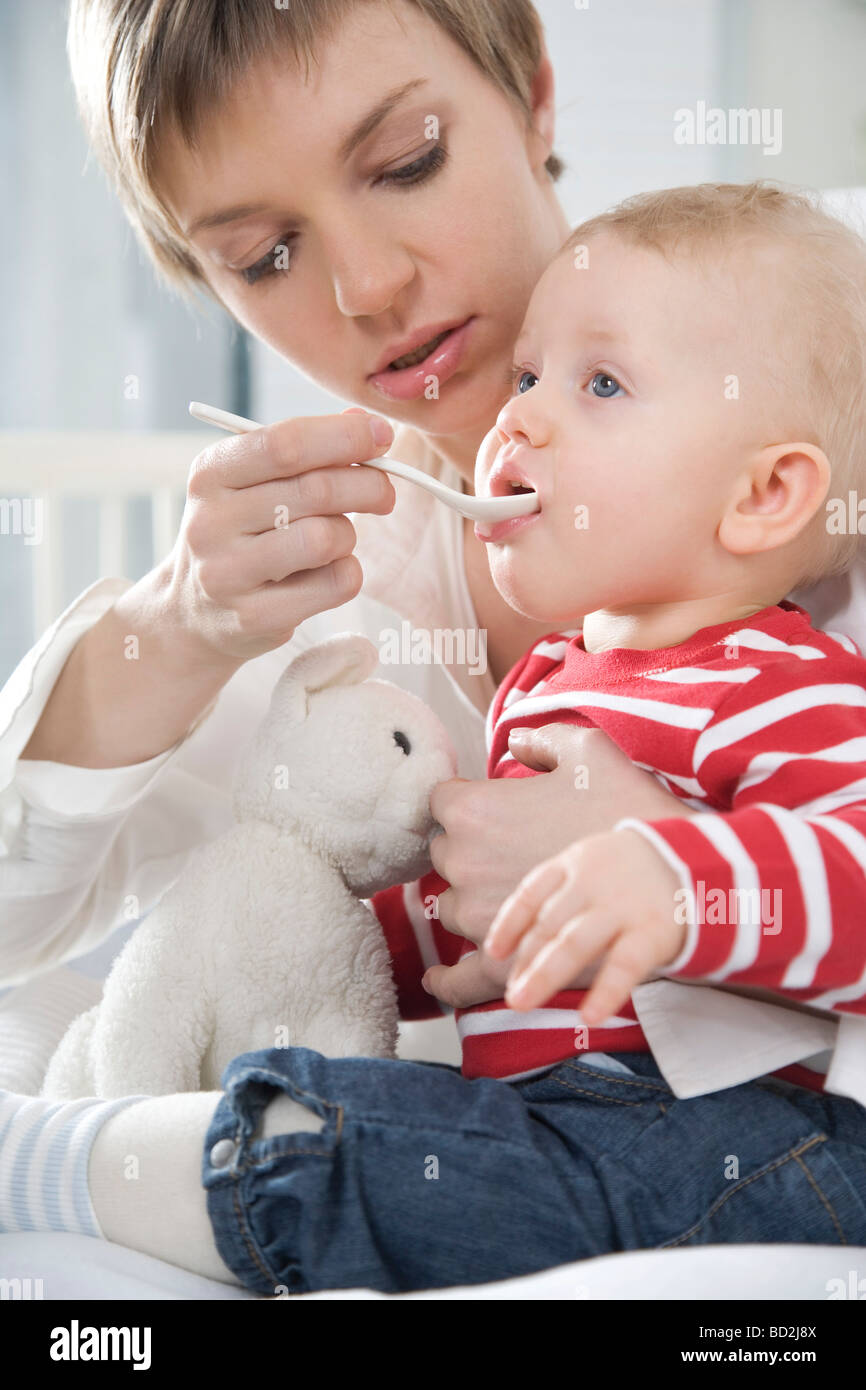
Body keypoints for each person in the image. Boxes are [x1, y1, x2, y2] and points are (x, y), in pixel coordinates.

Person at [0, 0, 863, 1295]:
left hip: (719, 1159)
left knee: (324, 1147)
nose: (367, 290)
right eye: (263, 251)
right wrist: (175, 631)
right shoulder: (318, 602)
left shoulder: (802, 354)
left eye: (405, 159)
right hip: (511, 1129)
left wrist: (665, 873)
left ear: (532, 97)